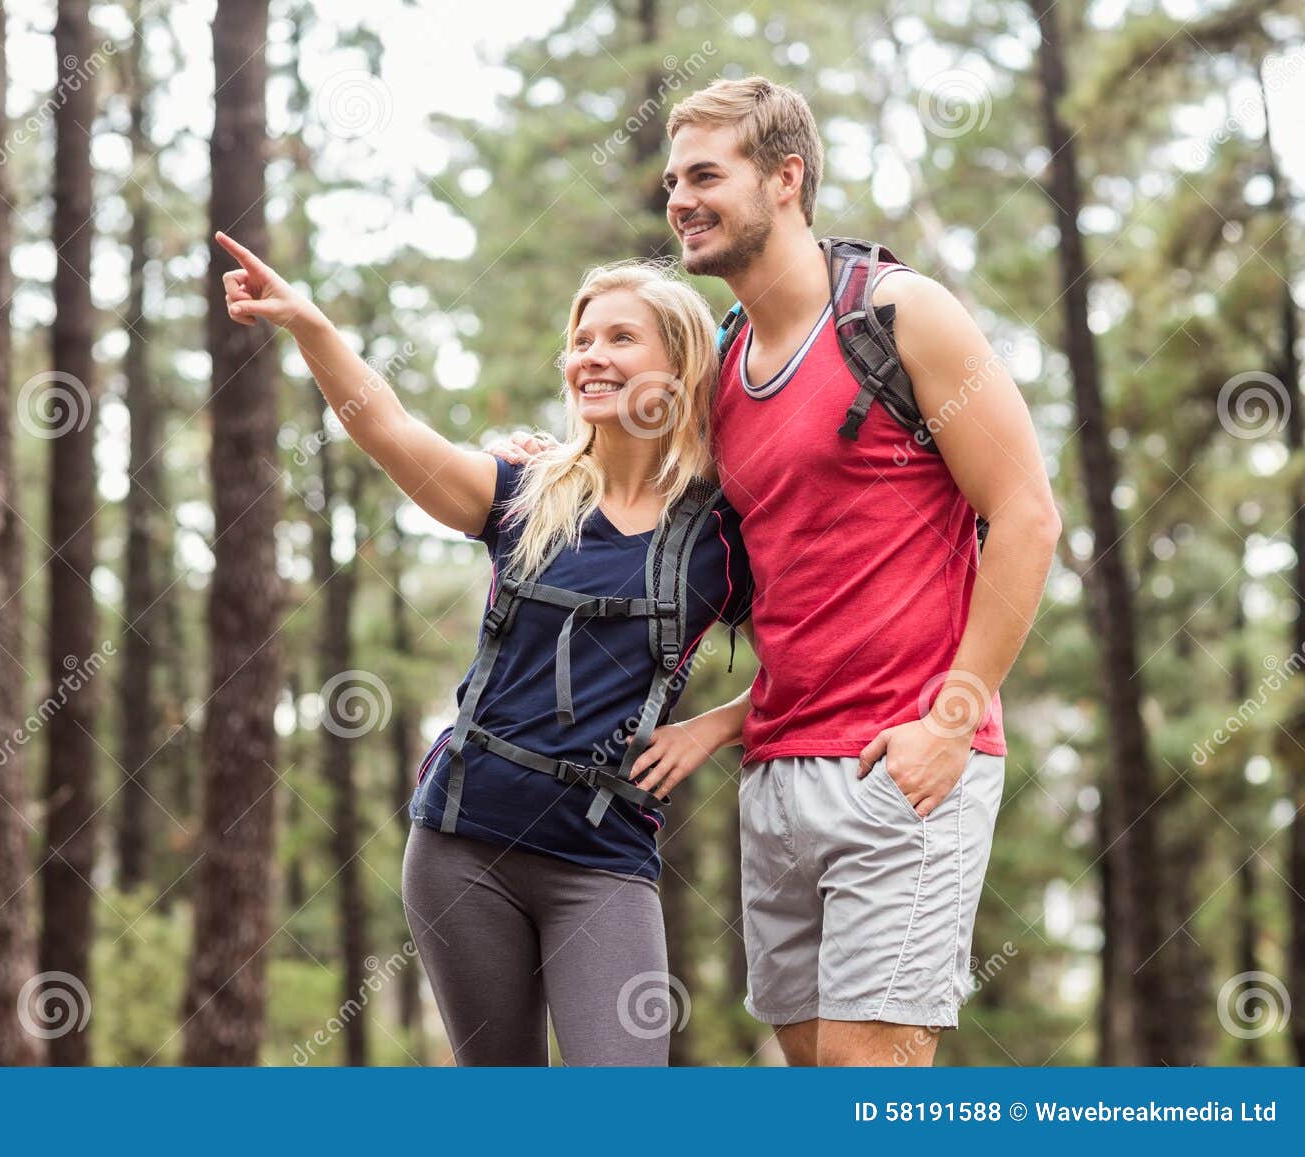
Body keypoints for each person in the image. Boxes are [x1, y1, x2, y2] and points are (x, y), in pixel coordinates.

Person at [495, 76, 1061, 1066]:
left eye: (706, 174)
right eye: (673, 179)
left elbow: (1025, 514)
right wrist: (551, 463)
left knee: (865, 1080)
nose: (680, 200)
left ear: (786, 178)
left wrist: (949, 719)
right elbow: (654, 506)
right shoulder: (719, 369)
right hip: (776, 776)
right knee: (809, 1075)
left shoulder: (899, 315)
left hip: (905, 762)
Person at [216, 232, 753, 1066]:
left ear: (679, 367)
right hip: (461, 846)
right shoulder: (520, 494)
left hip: (602, 858)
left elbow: (824, 650)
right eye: (581, 339)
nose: (591, 356)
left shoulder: (721, 535)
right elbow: (388, 430)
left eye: (620, 337)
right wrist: (310, 325)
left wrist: (713, 727)